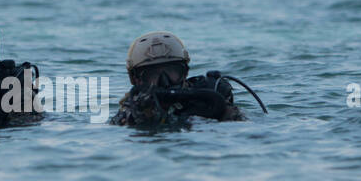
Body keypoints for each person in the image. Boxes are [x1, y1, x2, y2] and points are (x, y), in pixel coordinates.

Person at [109, 31, 263, 127]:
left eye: (172, 72)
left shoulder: (208, 97)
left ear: (185, 72)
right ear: (136, 80)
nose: (165, 81)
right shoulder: (134, 109)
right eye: (153, 75)